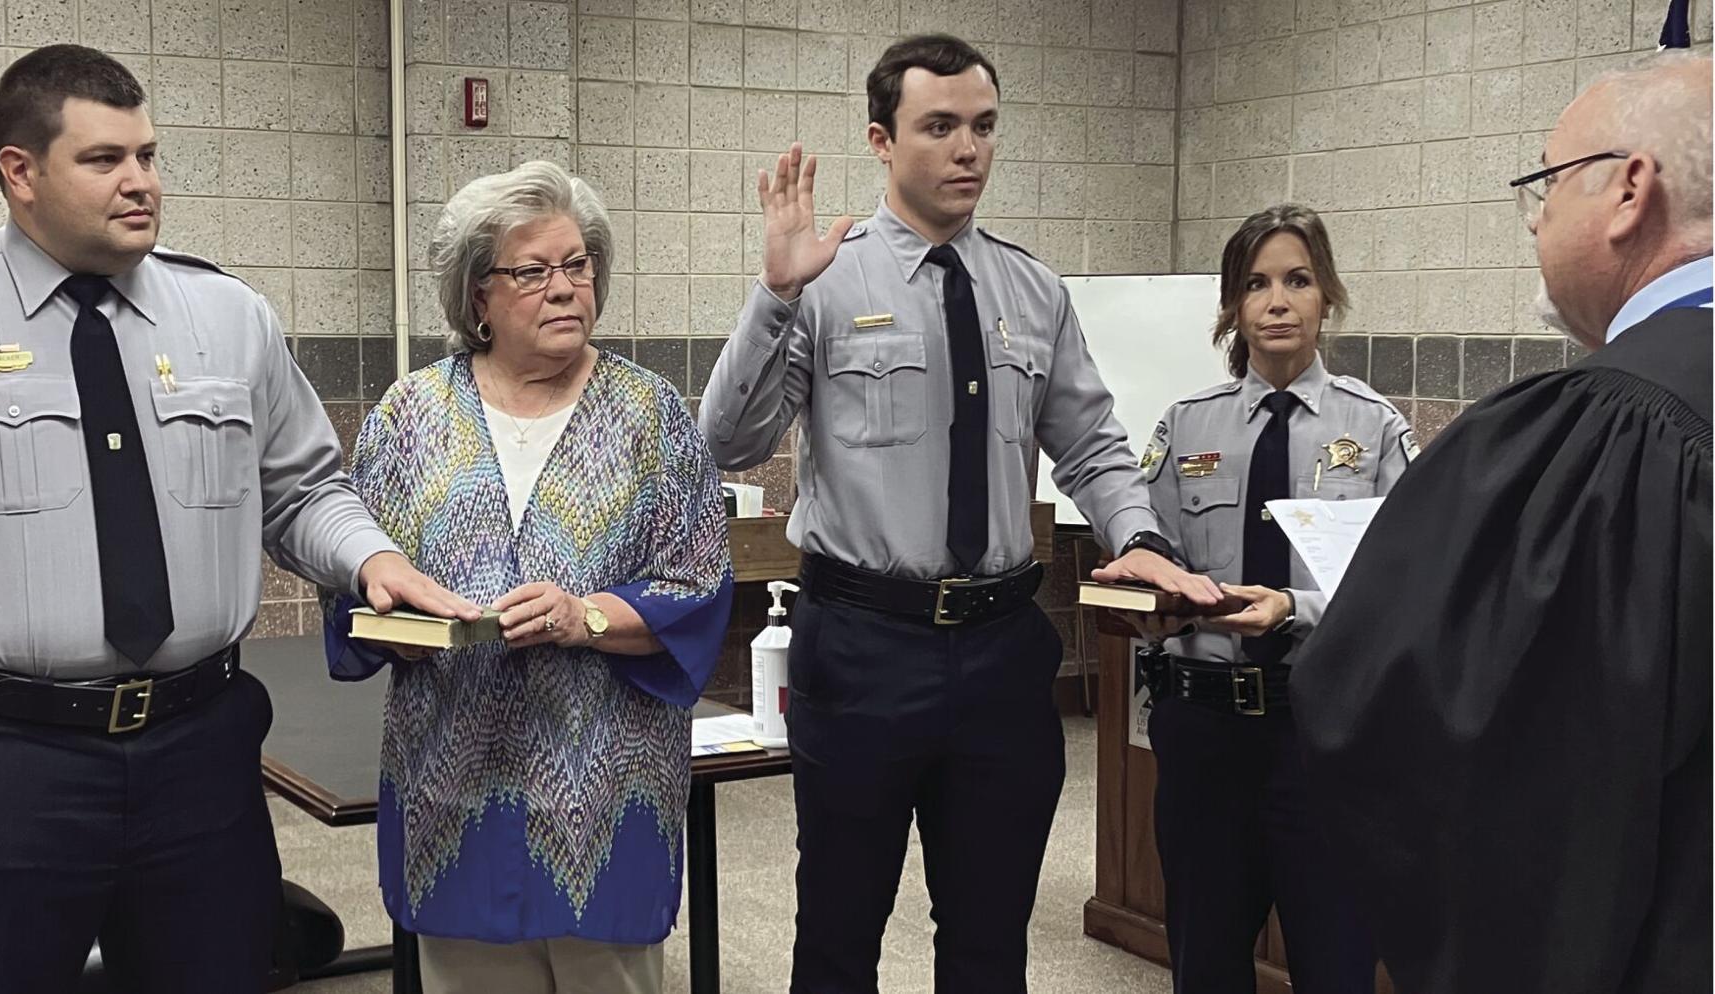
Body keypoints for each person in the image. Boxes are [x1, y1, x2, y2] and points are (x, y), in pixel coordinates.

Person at [0, 45, 472, 994]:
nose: (141, 182)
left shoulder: (229, 315)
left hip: (198, 755)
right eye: (105, 160)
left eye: (148, 156)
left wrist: (370, 561)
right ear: (18, 173)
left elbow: (305, 491)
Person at [698, 34, 1222, 993]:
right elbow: (725, 443)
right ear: (882, 141)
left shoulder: (1031, 289)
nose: (967, 149)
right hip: (860, 646)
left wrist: (1140, 537)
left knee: (988, 946)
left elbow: (1093, 443)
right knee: (838, 939)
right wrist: (774, 294)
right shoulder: (824, 280)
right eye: (939, 127)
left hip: (1000, 654)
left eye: (983, 127)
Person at [1290, 53, 1712, 994]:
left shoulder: (1606, 436)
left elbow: (1403, 717)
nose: (1535, 220)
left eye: (1547, 184)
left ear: (1629, 190)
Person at [320, 160, 733, 994]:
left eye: (577, 266)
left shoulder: (650, 416)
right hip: (453, 795)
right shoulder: (409, 417)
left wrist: (585, 616)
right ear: (478, 294)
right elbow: (354, 582)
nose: (564, 288)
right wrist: (398, 618)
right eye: (534, 271)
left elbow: (698, 588)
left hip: (606, 803)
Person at [1119, 205, 1408, 993]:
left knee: (1335, 961)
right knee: (1206, 964)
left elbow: (1403, 580)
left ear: (1326, 299)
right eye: (1256, 284)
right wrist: (1150, 591)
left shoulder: (1374, 428)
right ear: (1232, 308)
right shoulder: (1185, 428)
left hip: (1319, 735)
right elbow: (1151, 551)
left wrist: (1295, 606)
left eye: (1298, 280)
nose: (1278, 301)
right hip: (1205, 732)